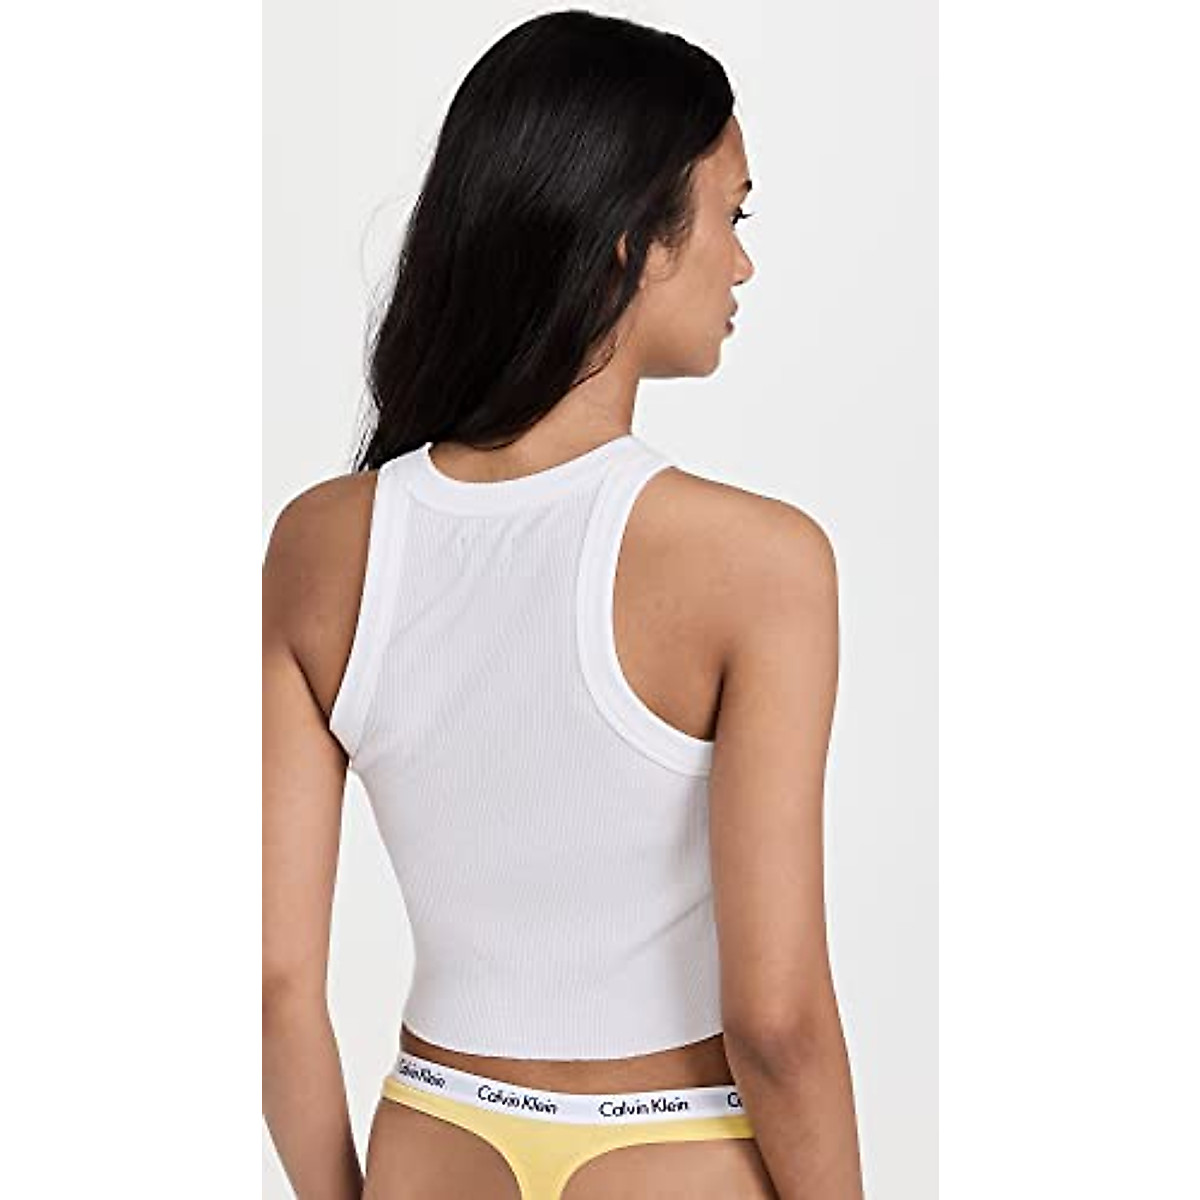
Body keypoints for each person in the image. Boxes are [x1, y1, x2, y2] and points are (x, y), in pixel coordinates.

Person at [263, 10, 864, 1199]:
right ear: (635, 239)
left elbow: (275, 981)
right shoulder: (761, 563)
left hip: (435, 1140)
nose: (742, 263)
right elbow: (779, 1019)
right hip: (673, 1151)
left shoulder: (320, 545)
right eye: (733, 216)